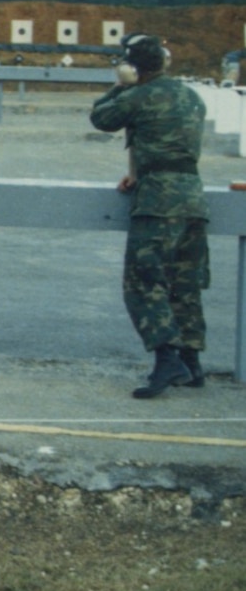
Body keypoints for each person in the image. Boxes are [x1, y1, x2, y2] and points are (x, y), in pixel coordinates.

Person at [90, 33, 210, 398]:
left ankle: (166, 358)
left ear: (132, 67)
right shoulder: (192, 96)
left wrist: (118, 86)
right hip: (192, 196)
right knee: (184, 282)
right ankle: (191, 362)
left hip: (158, 200)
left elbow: (101, 118)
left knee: (144, 281)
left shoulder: (137, 96)